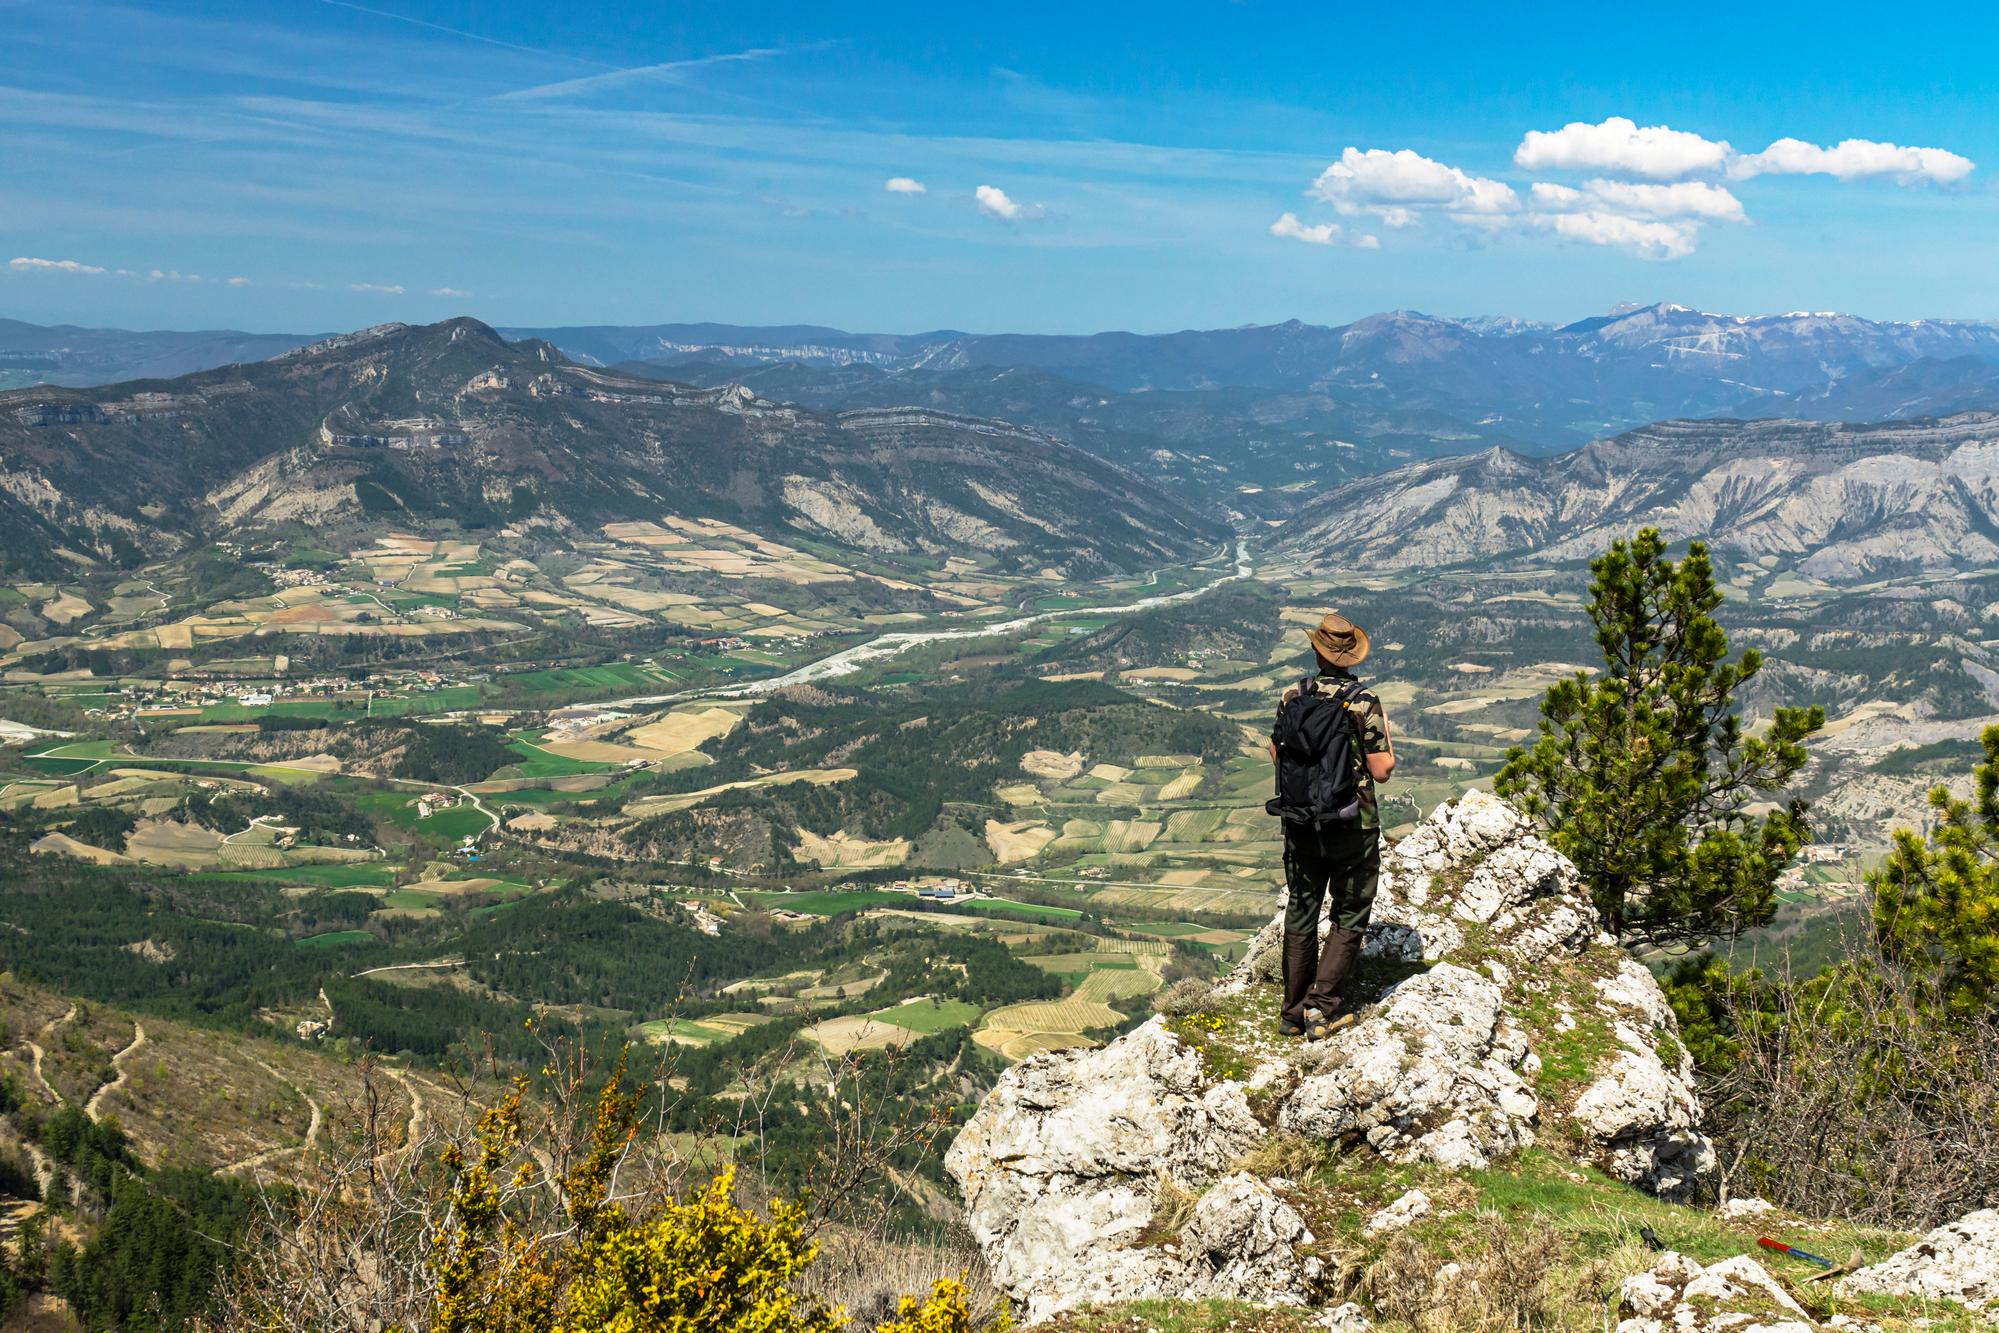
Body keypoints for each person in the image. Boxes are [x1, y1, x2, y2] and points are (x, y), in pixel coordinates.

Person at [1267, 611, 1395, 1040]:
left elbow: (1277, 753)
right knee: (1350, 910)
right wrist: (1384, 738)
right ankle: (1321, 1009)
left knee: (1302, 908)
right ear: (1351, 655)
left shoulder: (1292, 696)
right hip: (1351, 824)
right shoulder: (1364, 701)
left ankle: (1291, 1012)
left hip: (1301, 822)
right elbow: (1381, 770)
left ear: (1316, 651)